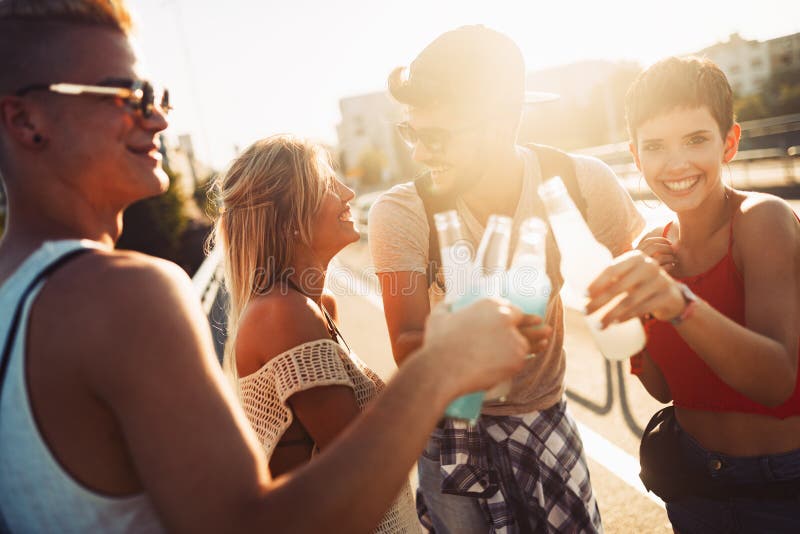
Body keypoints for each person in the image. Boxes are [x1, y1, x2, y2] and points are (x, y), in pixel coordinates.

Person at [0, 2, 540, 532]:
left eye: (158, 96)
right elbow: (253, 523)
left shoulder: (20, 292)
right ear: (25, 118)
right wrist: (441, 365)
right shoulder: (129, 293)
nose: (159, 116)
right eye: (128, 95)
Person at [369, 25, 644, 533]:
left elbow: (635, 288)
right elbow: (407, 344)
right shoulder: (402, 211)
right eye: (412, 132)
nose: (421, 154)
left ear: (503, 122)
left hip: (546, 414)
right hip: (451, 426)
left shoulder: (580, 183)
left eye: (436, 136)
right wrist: (477, 337)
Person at [586, 56, 800, 532]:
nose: (676, 162)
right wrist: (637, 316)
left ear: (729, 142)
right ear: (636, 156)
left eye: (696, 139)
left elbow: (776, 381)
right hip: (693, 485)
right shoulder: (654, 249)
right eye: (656, 146)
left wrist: (675, 303)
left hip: (784, 488)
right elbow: (664, 388)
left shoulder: (761, 220)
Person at [211, 135, 424, 532]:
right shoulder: (281, 315)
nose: (348, 192)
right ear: (289, 218)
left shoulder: (318, 306)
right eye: (328, 185)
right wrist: (447, 365)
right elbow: (364, 469)